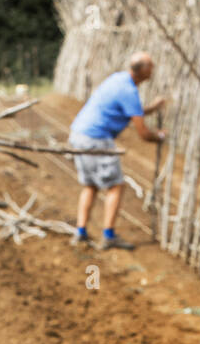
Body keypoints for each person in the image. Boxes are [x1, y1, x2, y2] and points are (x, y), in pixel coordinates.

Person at [68, 52, 166, 251]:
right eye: (151, 66)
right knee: (115, 186)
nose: (153, 70)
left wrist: (151, 109)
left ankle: (81, 231)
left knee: (91, 185)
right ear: (143, 70)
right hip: (96, 139)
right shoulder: (129, 91)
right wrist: (161, 136)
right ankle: (109, 236)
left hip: (79, 133)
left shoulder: (118, 79)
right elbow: (143, 133)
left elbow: (130, 111)